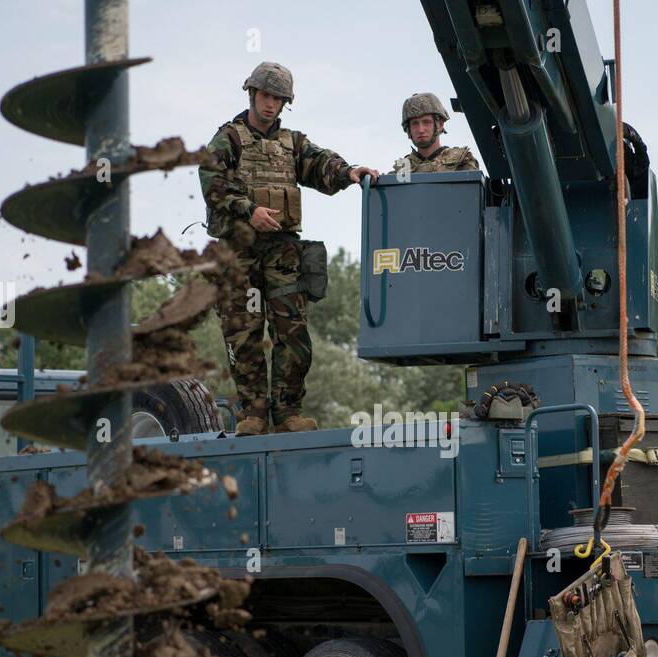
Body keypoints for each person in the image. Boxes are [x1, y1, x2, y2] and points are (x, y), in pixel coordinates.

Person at [200, 61, 378, 435]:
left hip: (282, 252)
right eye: (265, 95)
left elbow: (318, 163)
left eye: (278, 99)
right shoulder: (228, 138)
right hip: (240, 251)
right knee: (244, 332)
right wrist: (249, 211)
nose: (270, 104)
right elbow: (212, 182)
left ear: (285, 104)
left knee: (292, 333)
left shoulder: (291, 143)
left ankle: (288, 413)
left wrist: (349, 172)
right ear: (252, 94)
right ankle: (253, 413)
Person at [392, 93, 478, 175]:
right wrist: (378, 181)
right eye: (415, 123)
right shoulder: (402, 170)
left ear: (440, 125)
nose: (420, 130)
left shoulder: (461, 161)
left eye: (426, 122)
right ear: (408, 129)